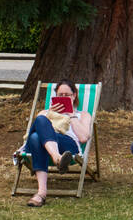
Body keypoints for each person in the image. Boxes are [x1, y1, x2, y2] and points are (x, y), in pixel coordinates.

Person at [16, 79, 91, 207]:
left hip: (67, 146)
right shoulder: (45, 113)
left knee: (35, 137)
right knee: (39, 125)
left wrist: (71, 115)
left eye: (66, 95)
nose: (63, 98)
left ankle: (41, 194)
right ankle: (57, 158)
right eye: (60, 95)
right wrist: (50, 113)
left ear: (74, 95)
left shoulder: (83, 115)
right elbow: (38, 126)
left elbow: (83, 138)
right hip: (46, 148)